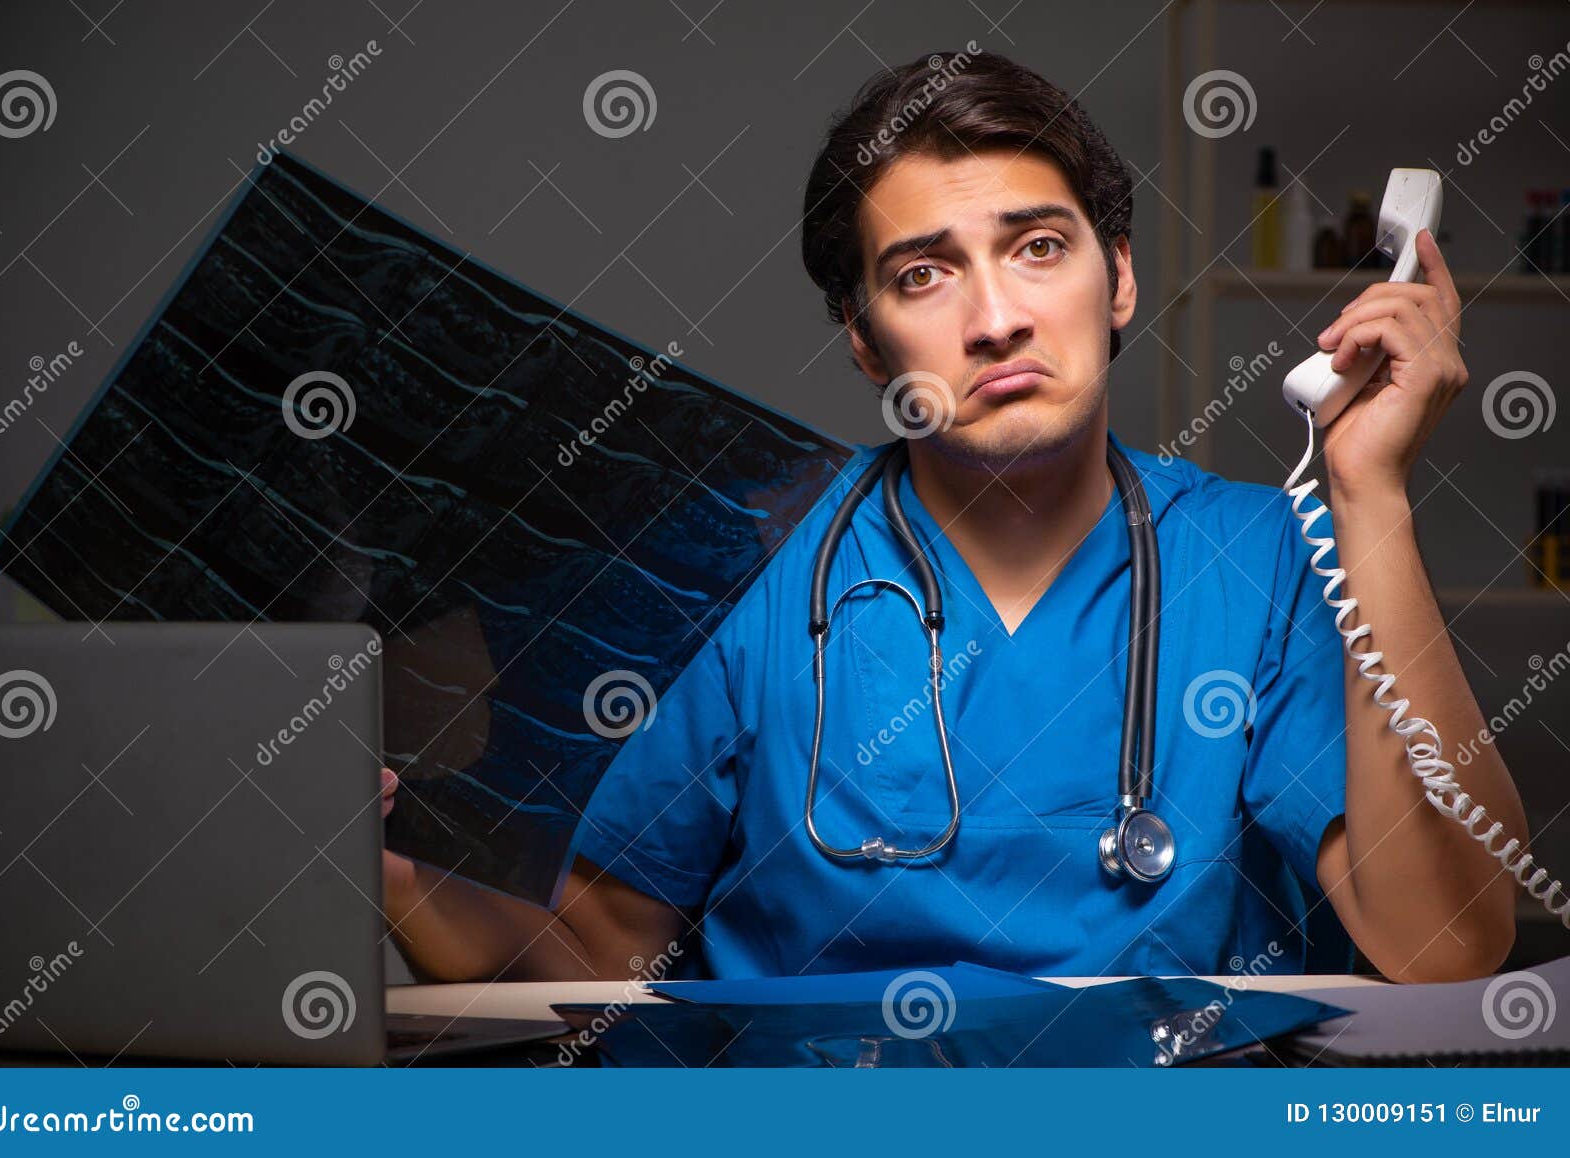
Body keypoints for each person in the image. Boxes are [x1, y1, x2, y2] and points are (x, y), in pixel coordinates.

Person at [380, 50, 1523, 986]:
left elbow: (1443, 946)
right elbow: (597, 952)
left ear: (1118, 278)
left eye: (1038, 248)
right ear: (865, 340)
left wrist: (1368, 492)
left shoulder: (1260, 556)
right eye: (923, 274)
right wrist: (374, 872)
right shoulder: (748, 563)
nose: (995, 319)